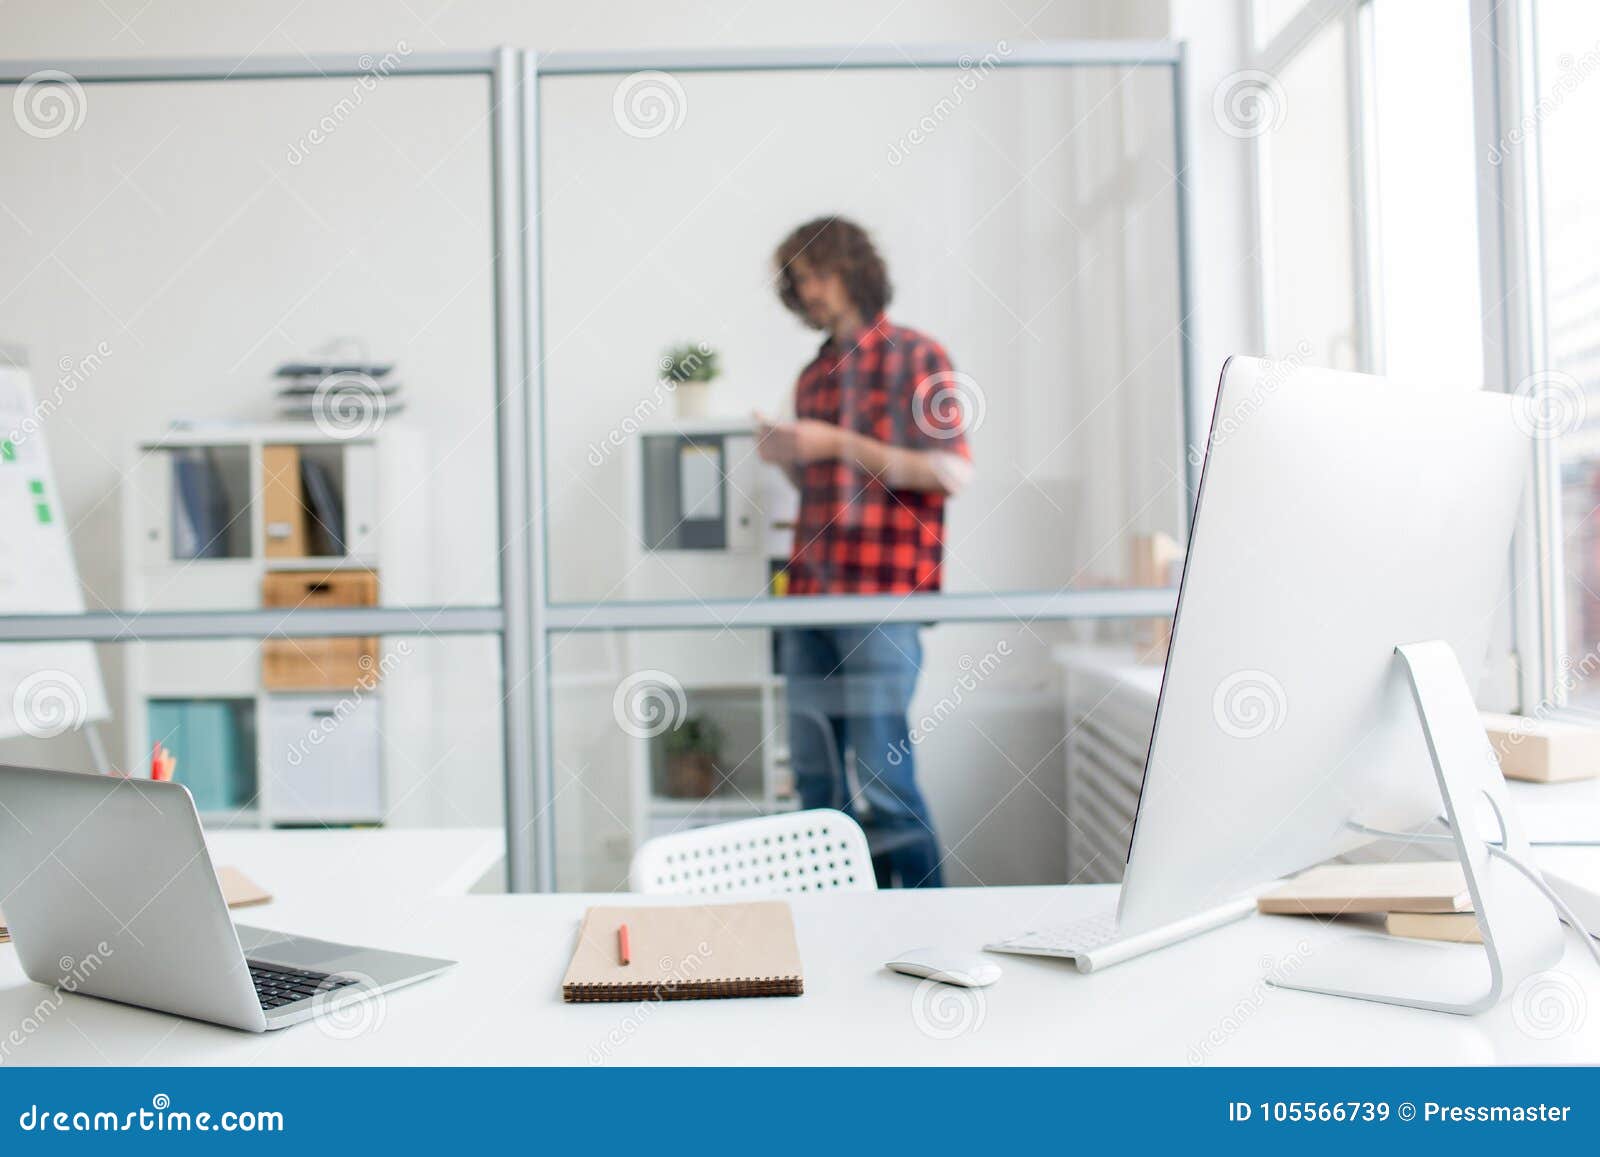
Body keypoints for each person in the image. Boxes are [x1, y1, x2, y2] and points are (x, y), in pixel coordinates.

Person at [757, 216, 974, 888]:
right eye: (797, 281)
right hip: (810, 598)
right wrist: (792, 459)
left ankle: (924, 921)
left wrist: (836, 443)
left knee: (883, 774)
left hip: (883, 597)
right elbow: (825, 484)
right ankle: (828, 927)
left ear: (852, 269)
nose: (808, 290)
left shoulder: (919, 357)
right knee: (815, 780)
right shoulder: (813, 376)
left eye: (815, 272)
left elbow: (950, 473)